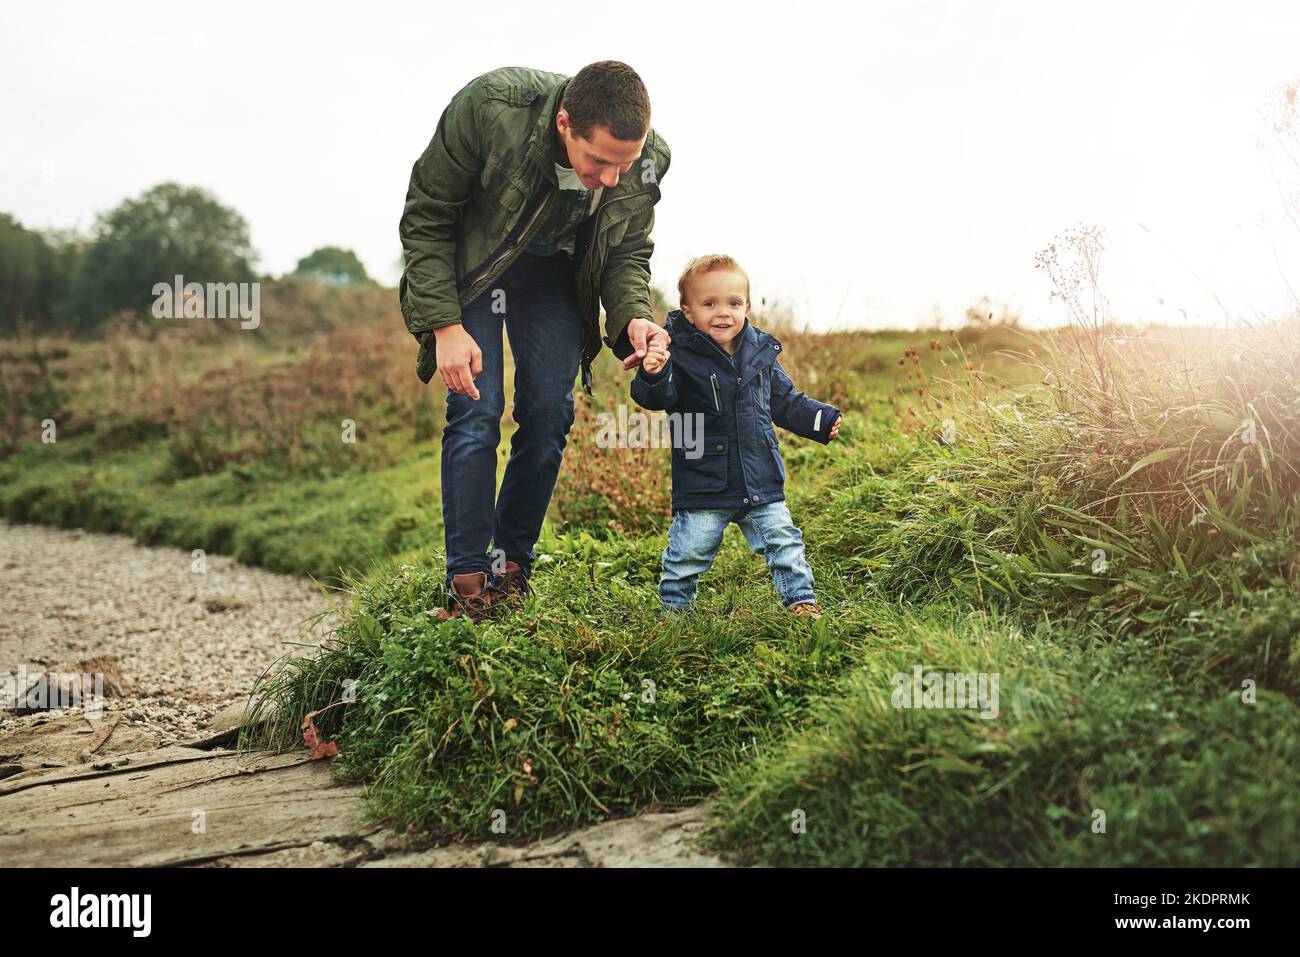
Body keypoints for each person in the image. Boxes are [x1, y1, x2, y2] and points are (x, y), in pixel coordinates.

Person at [398, 62, 672, 622]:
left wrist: (633, 319)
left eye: (624, 164)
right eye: (599, 161)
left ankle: (510, 572)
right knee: (477, 408)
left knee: (549, 413)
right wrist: (444, 325)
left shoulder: (644, 160)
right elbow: (428, 216)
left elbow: (626, 254)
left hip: (553, 278)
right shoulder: (490, 109)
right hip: (474, 269)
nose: (612, 177)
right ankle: (467, 584)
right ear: (565, 123)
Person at [630, 254, 843, 618]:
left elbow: (784, 400)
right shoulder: (676, 354)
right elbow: (656, 398)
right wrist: (654, 374)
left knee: (784, 543)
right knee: (687, 555)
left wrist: (819, 420)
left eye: (733, 303)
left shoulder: (759, 352)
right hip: (703, 481)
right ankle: (675, 612)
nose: (722, 313)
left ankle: (801, 601)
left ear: (747, 304)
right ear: (687, 309)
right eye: (709, 304)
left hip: (759, 476)